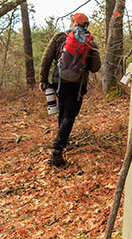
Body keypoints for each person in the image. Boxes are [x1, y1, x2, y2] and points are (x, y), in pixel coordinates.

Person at [39, 13, 101, 167]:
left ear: (73, 23)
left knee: (63, 112)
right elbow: (95, 67)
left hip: (58, 81)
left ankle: (62, 143)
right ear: (85, 25)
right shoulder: (90, 42)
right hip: (77, 85)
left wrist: (43, 79)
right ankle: (57, 149)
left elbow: (46, 59)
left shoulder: (60, 37)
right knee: (69, 115)